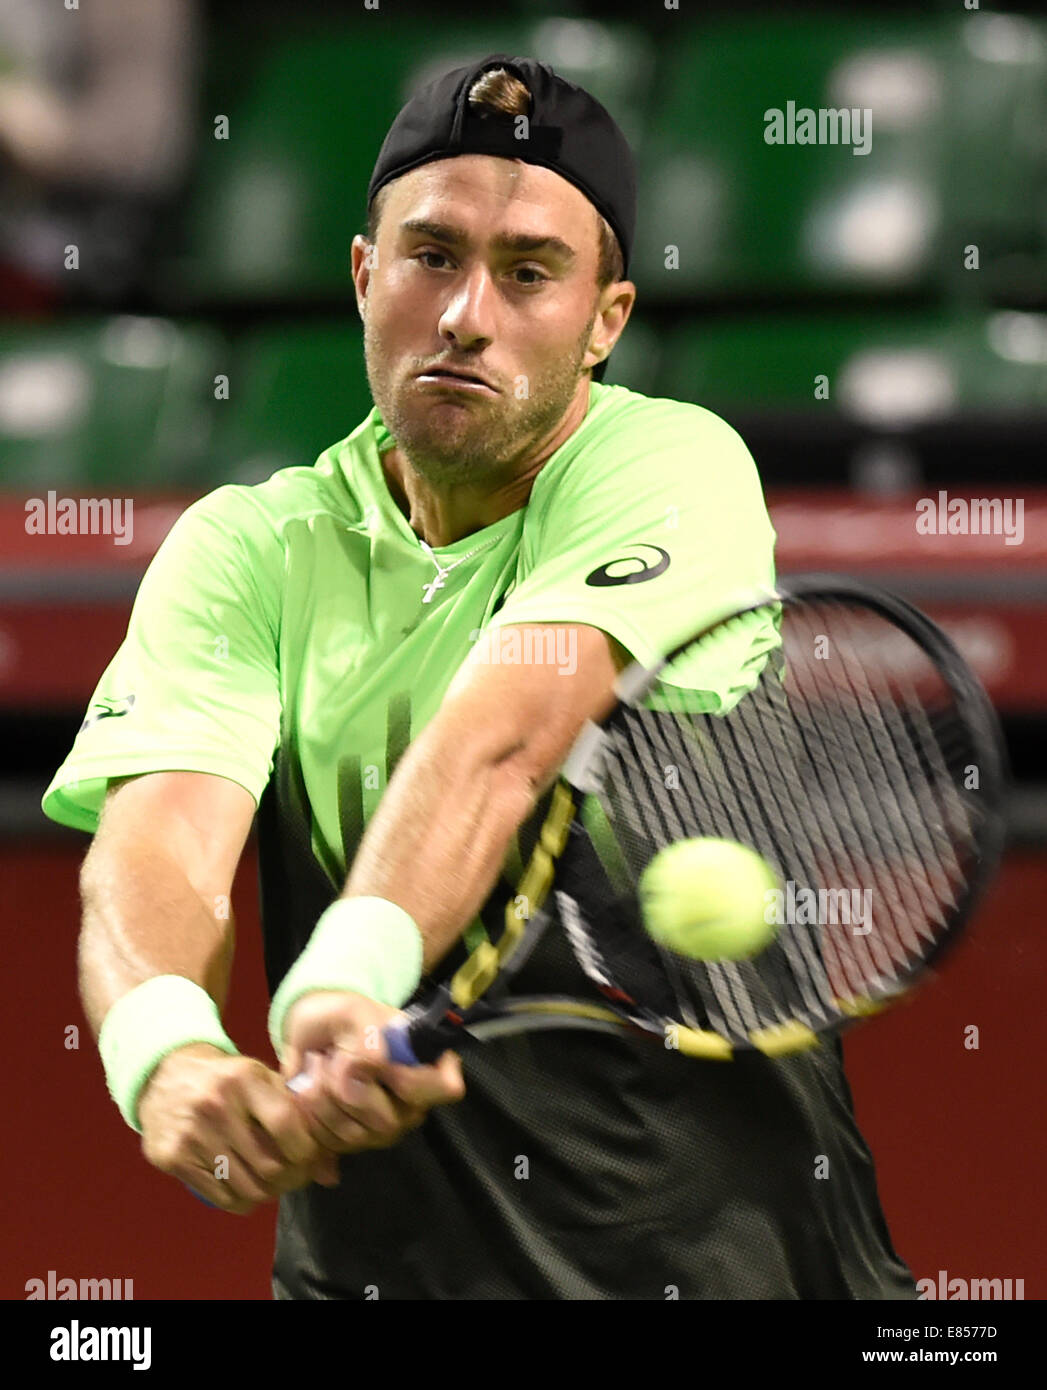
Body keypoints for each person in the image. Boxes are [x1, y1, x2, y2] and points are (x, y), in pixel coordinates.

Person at [43, 54, 917, 1300]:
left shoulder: (674, 465)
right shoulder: (251, 545)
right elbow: (160, 847)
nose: (465, 314)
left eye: (528, 273)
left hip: (732, 1271)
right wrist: (164, 1048)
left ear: (607, 320)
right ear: (362, 276)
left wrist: (345, 976)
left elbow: (506, 735)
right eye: (432, 256)